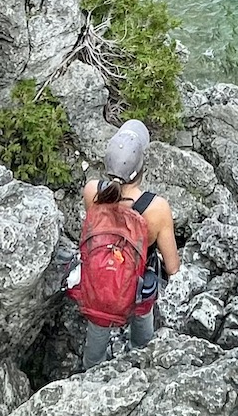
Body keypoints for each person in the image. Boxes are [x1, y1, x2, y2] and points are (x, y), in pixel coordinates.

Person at [68, 119, 179, 368]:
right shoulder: (157, 208)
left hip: (100, 284)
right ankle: (140, 360)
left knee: (96, 343)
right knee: (143, 333)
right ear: (142, 167)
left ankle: (92, 372)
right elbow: (172, 267)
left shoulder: (92, 191)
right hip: (138, 291)